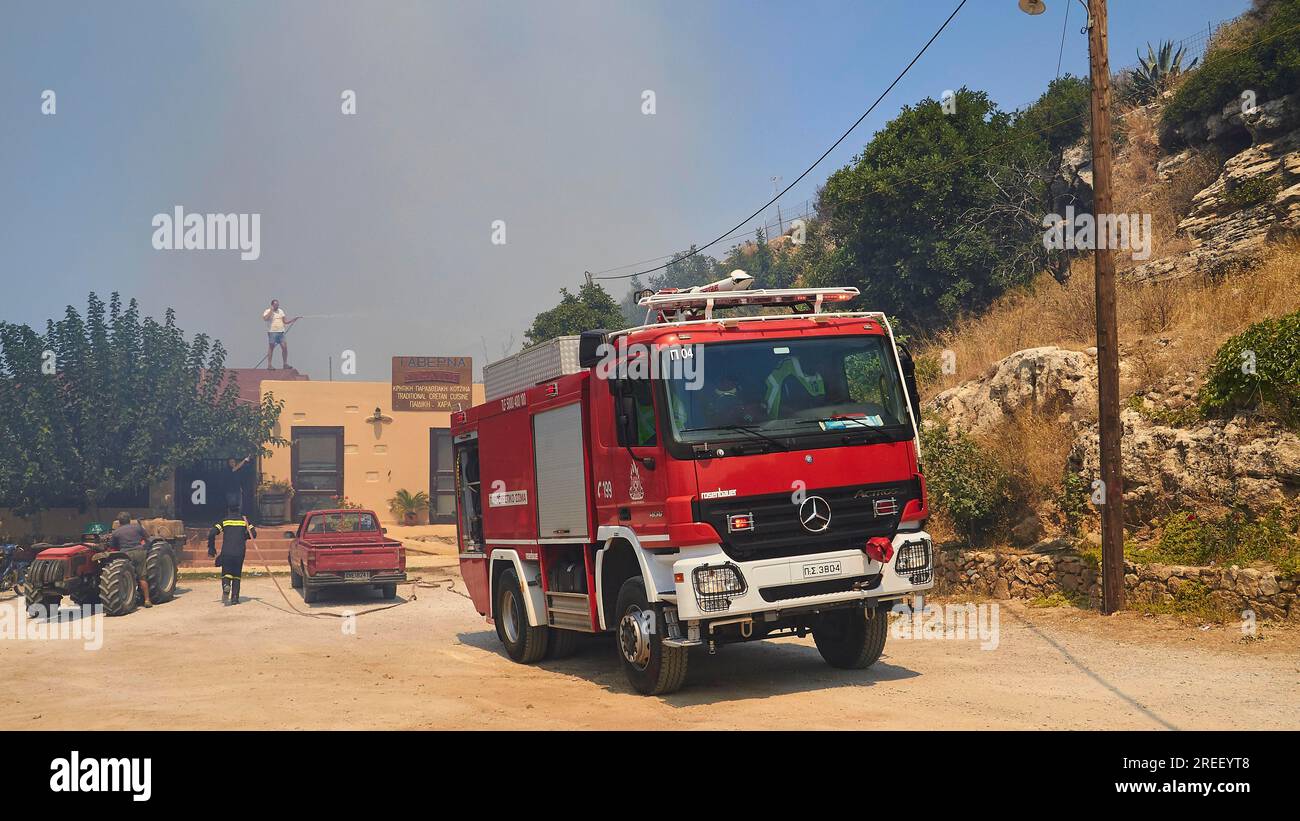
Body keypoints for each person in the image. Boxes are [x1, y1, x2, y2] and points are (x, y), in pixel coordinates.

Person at [207, 506, 257, 605]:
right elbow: (254, 534)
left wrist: (211, 548)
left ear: (229, 510)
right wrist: (243, 537)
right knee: (237, 575)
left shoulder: (225, 521)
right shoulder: (244, 521)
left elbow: (212, 533)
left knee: (226, 572)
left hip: (227, 552)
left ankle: (226, 585)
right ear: (239, 510)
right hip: (240, 552)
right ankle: (235, 598)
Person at [108, 513, 154, 608]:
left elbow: (112, 547)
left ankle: (129, 598)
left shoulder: (116, 532)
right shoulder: (137, 527)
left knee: (127, 576)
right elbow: (147, 537)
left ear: (119, 522)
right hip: (139, 552)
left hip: (125, 555)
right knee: (142, 577)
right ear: (129, 520)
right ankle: (147, 600)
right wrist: (145, 547)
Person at [261, 299, 300, 370]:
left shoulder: (281, 311)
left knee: (284, 347)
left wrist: (293, 320)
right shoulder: (267, 311)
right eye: (275, 305)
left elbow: (285, 321)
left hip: (281, 332)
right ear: (272, 305)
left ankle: (285, 364)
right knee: (271, 347)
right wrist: (271, 311)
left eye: (278, 305)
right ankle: (269, 365)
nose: (277, 306)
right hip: (272, 332)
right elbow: (265, 318)